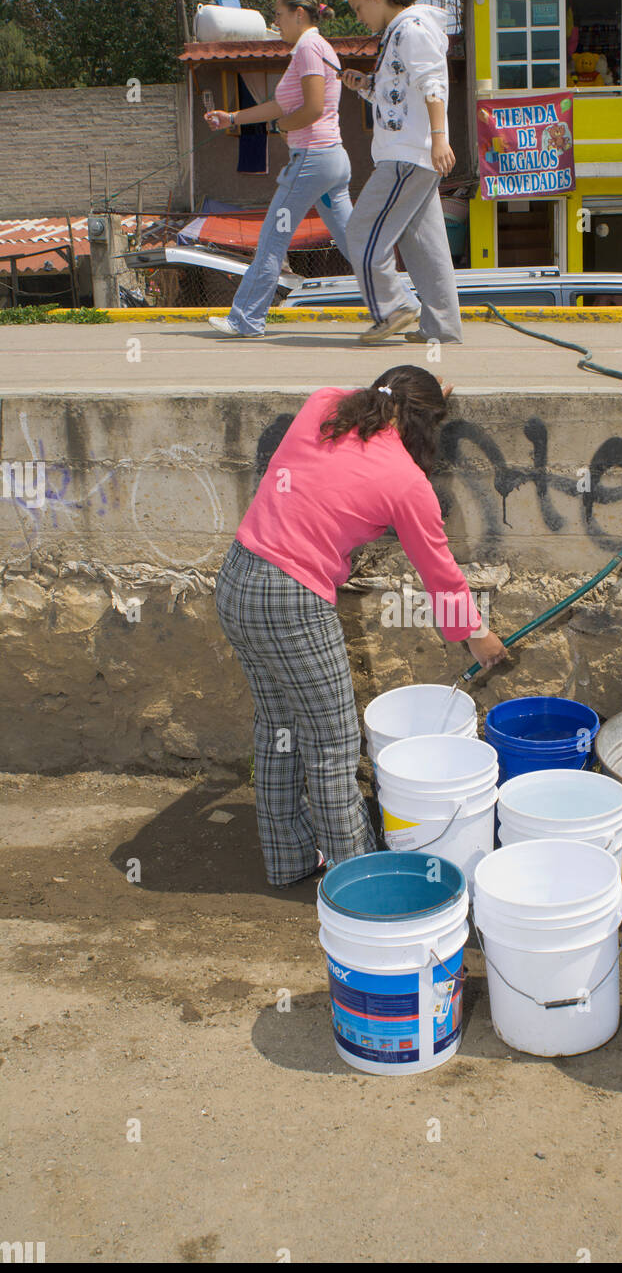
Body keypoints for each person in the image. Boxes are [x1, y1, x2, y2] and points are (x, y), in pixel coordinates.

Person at [214, 366, 508, 887]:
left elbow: (369, 404)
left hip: (237, 577)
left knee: (279, 727)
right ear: (425, 423)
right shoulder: (406, 483)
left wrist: (414, 395)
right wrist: (478, 636)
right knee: (332, 745)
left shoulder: (324, 404)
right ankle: (362, 881)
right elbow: (439, 571)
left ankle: (290, 861)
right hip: (291, 602)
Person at [205, 0, 352, 337]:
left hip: (311, 161)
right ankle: (399, 305)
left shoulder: (308, 48)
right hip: (332, 160)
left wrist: (277, 126)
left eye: (279, 14)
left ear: (299, 14)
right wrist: (234, 118)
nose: (276, 21)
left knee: (272, 238)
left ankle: (246, 319)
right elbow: (282, 105)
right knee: (355, 241)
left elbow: (310, 109)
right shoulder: (317, 47)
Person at [340, 0, 463, 346]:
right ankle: (442, 329)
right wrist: (365, 86)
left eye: (359, 8)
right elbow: (401, 92)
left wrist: (440, 138)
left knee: (361, 230)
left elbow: (433, 82)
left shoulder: (411, 29)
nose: (360, 18)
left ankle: (394, 306)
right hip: (413, 154)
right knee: (424, 245)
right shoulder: (401, 32)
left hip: (408, 156)